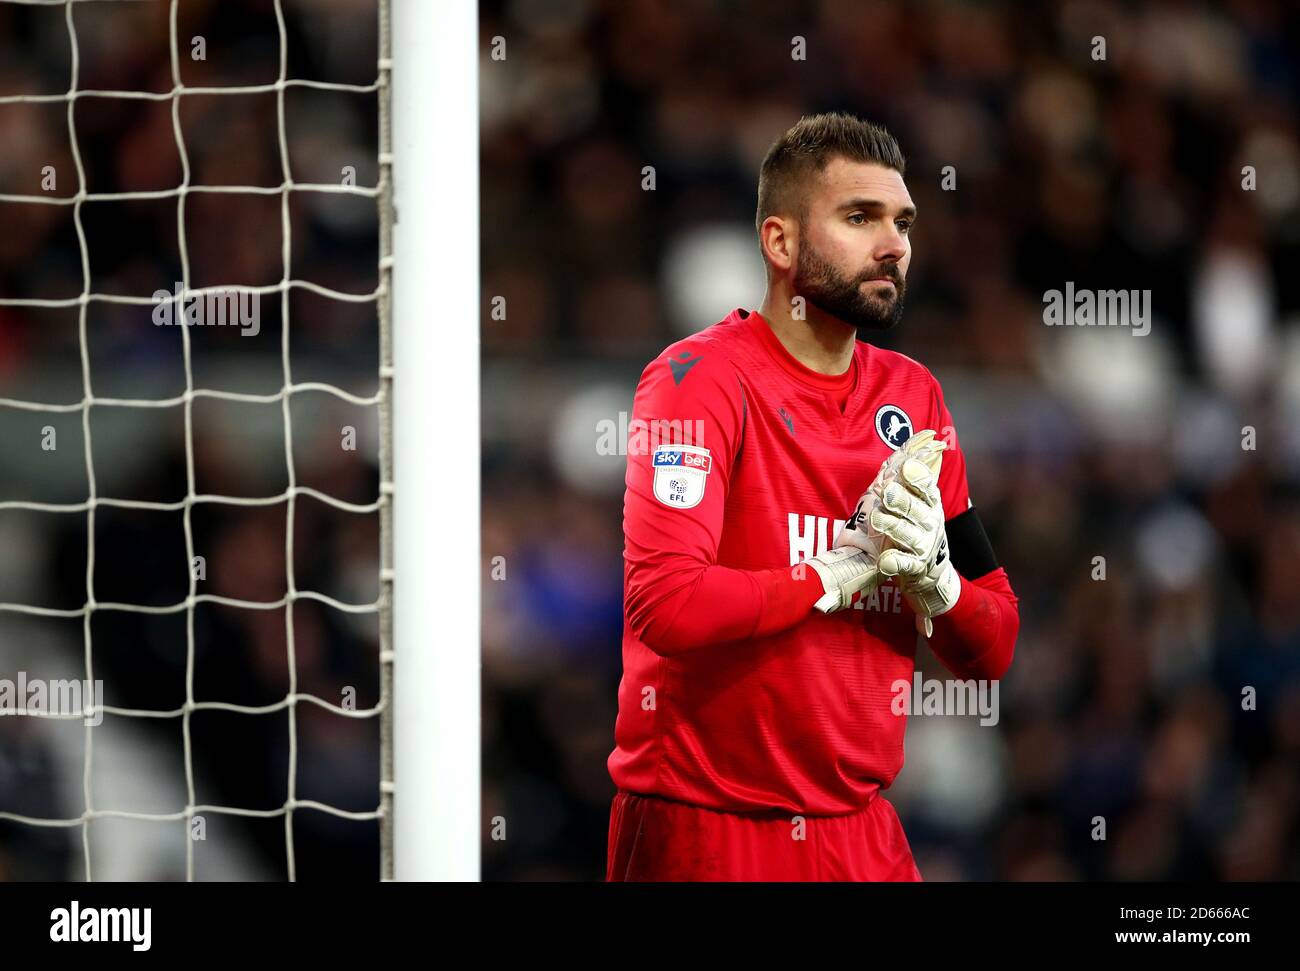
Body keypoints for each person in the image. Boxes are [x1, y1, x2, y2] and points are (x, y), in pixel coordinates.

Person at [605, 112, 1020, 881]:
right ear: (781, 242)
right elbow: (664, 602)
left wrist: (940, 584)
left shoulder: (916, 400)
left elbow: (993, 646)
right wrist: (831, 574)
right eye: (859, 218)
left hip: (861, 832)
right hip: (707, 826)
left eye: (903, 222)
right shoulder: (697, 382)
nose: (893, 243)